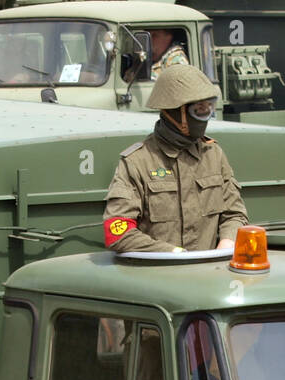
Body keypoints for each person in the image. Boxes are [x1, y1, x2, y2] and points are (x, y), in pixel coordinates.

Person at [103, 65, 247, 254]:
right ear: (174, 112)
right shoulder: (137, 162)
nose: (205, 117)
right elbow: (118, 231)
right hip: (159, 276)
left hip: (210, 273)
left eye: (209, 108)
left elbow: (234, 214)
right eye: (199, 110)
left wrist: (227, 242)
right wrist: (173, 254)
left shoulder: (213, 154)